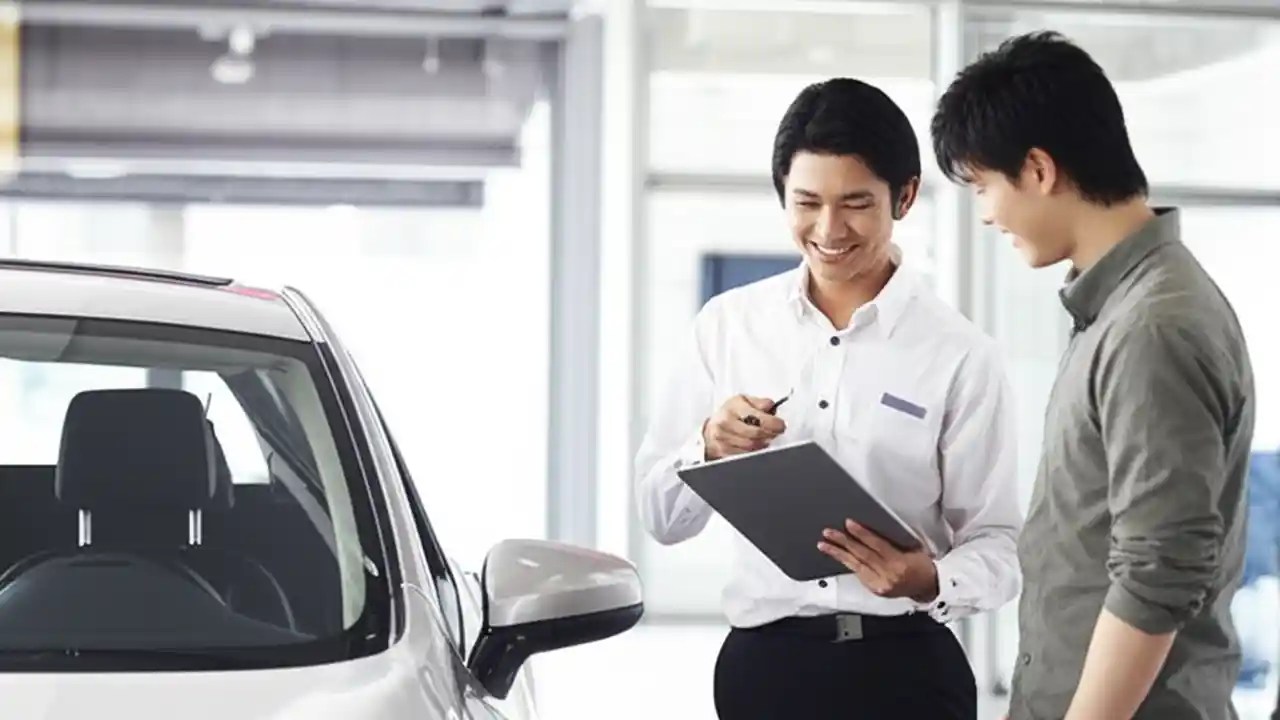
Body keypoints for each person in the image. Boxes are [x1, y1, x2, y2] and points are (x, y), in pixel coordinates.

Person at [635, 77, 1022, 720]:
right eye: (807, 202)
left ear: (905, 196)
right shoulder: (728, 326)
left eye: (856, 204)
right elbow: (661, 518)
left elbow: (999, 546)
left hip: (909, 672)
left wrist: (930, 579)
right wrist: (706, 447)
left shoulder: (960, 354)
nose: (829, 229)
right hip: (765, 672)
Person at [931, 31, 1255, 720]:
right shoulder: (1123, 308)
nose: (985, 214)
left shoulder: (1152, 327)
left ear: (1038, 169)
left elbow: (1158, 571)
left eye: (984, 186)